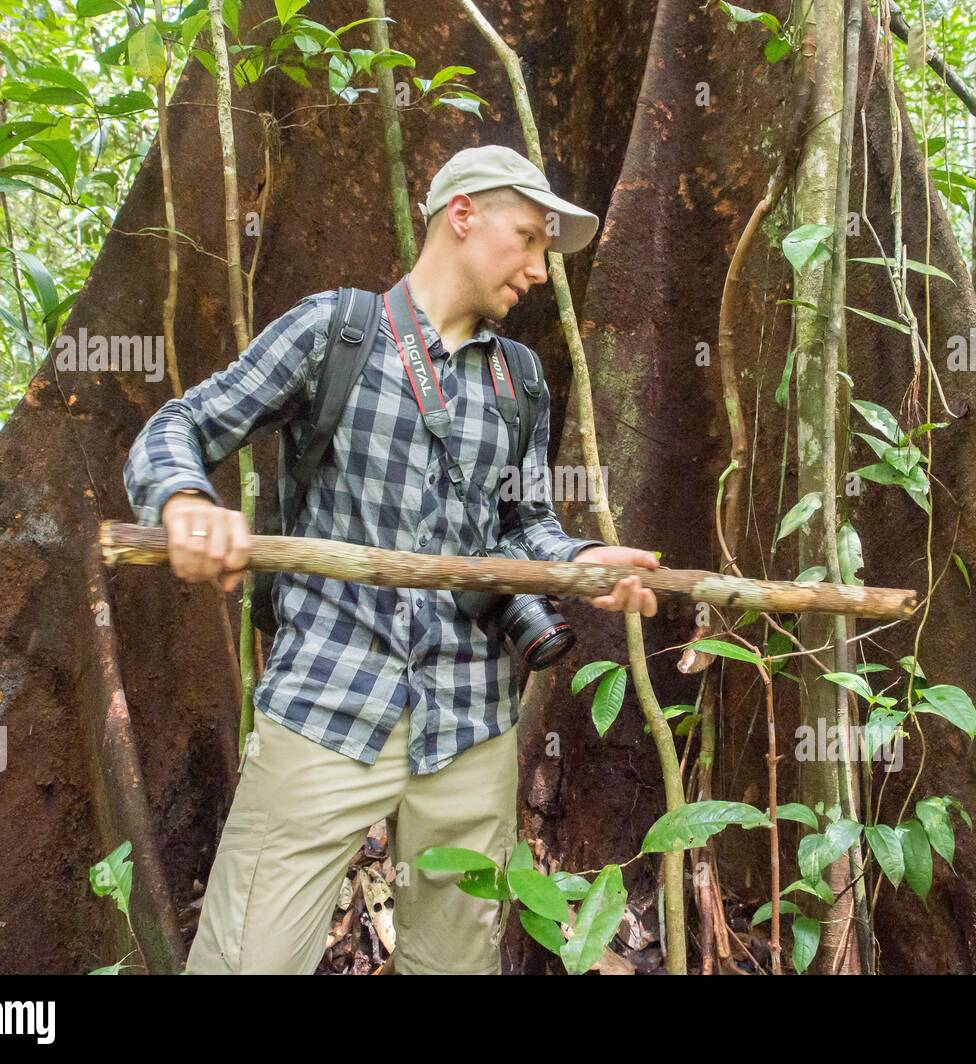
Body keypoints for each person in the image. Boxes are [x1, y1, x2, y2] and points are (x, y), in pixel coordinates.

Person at [123, 143, 660, 974]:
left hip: (472, 723)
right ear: (462, 215)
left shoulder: (521, 381)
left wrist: (581, 558)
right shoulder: (332, 332)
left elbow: (525, 526)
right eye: (528, 239)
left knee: (455, 965)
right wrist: (185, 502)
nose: (539, 269)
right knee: (246, 959)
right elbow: (179, 427)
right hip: (326, 702)